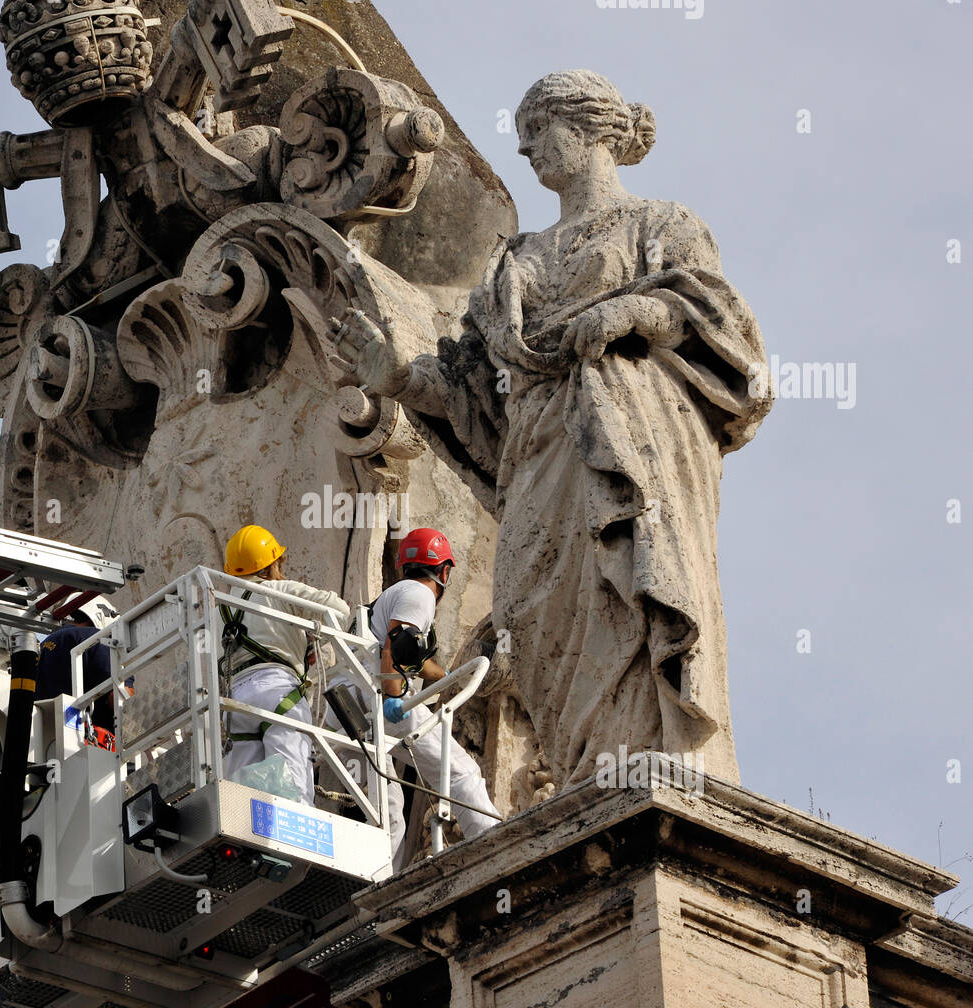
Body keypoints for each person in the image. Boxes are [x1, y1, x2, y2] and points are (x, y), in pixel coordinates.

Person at [328, 71, 771, 791]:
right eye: (523, 132)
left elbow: (722, 327)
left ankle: (660, 743)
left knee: (631, 580)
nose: (525, 146)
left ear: (591, 128)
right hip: (538, 452)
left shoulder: (661, 225)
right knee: (538, 613)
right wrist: (400, 376)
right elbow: (473, 389)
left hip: (632, 433)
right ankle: (579, 766)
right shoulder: (516, 258)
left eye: (538, 127)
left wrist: (634, 315)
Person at [331, 527, 499, 871]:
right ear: (445, 571)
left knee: (389, 809)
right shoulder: (420, 594)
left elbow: (416, 661)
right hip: (377, 698)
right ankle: (494, 844)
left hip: (346, 704)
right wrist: (394, 697)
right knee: (461, 773)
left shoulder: (390, 597)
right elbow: (398, 644)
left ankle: (380, 883)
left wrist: (453, 675)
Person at [220, 525, 350, 805]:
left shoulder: (219, 607)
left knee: (243, 800)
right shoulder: (279, 590)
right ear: (271, 565)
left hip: (235, 704)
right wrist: (314, 636)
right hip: (278, 693)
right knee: (294, 790)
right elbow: (339, 610)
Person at [35, 602, 125, 749]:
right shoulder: (97, 639)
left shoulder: (42, 646)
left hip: (43, 741)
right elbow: (118, 697)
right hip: (90, 743)